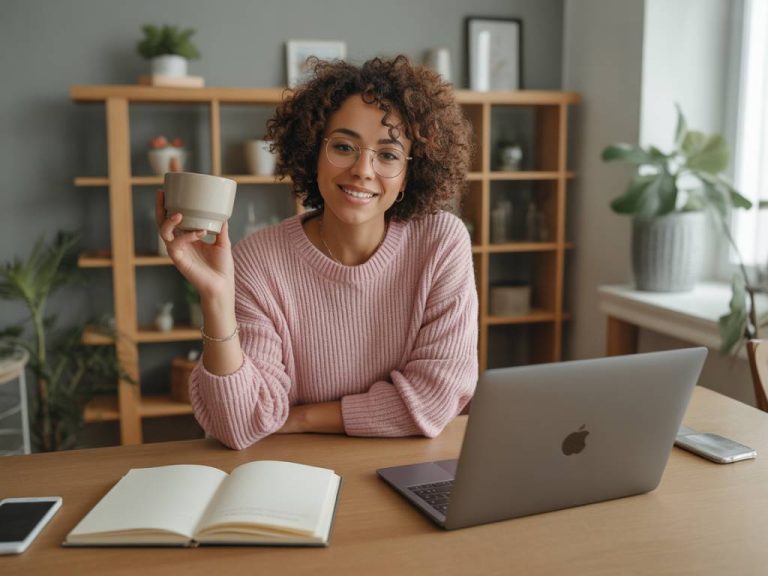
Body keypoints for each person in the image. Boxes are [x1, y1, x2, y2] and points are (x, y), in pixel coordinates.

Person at [157, 55, 478, 449]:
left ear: (412, 172)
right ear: (312, 152)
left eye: (388, 154)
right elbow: (239, 426)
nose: (363, 169)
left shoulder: (440, 243)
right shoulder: (260, 260)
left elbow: (433, 400)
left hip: (401, 464)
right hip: (288, 473)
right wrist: (215, 298)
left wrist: (300, 417)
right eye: (344, 146)